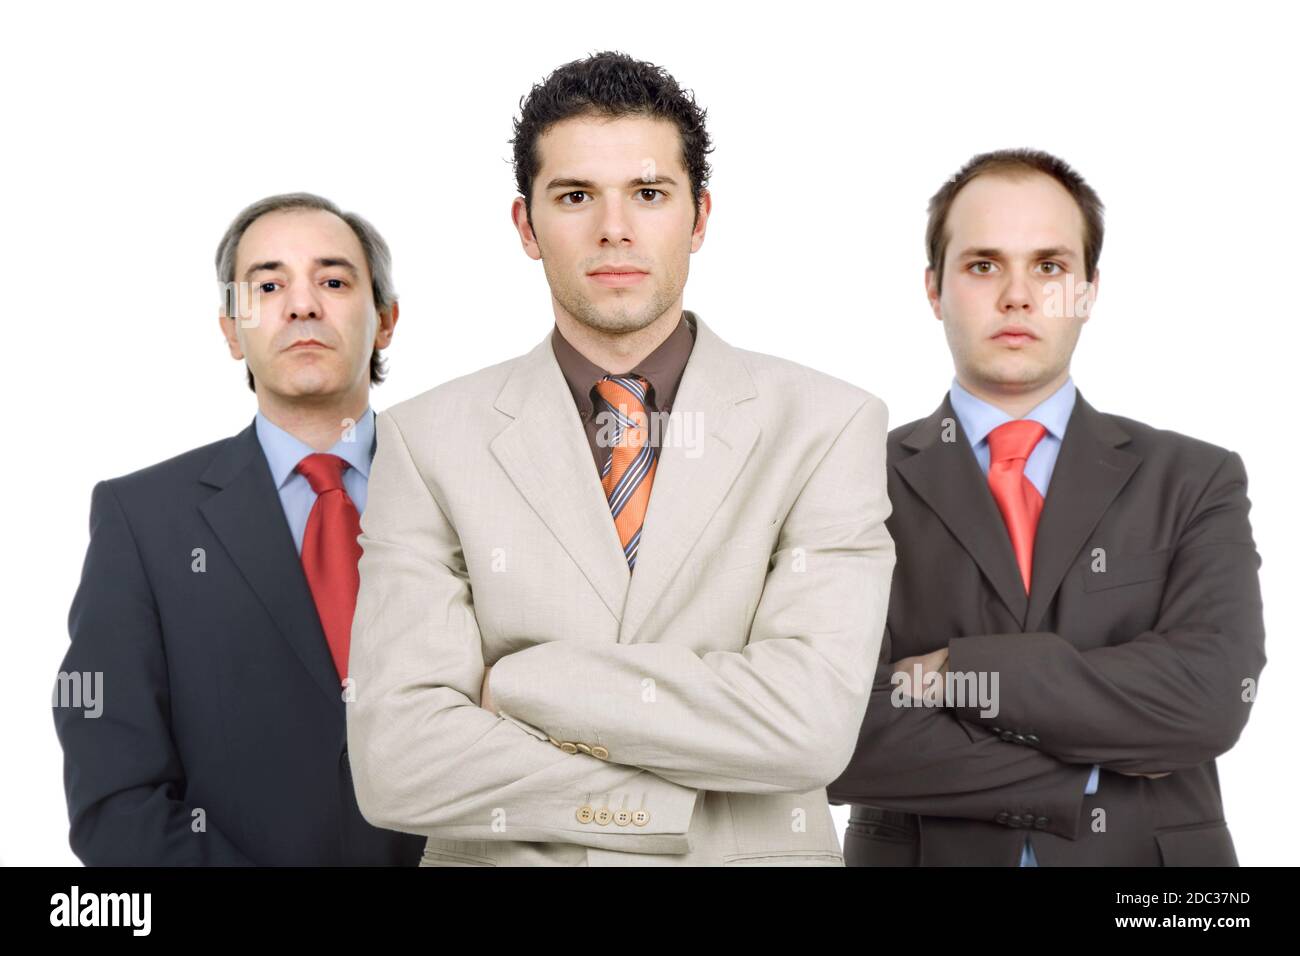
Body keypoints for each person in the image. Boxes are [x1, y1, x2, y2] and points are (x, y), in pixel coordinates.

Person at [346, 51, 895, 866]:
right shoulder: (428, 441)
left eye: (648, 193)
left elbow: (807, 728)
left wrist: (526, 685)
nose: (615, 230)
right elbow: (397, 764)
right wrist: (668, 803)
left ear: (699, 217)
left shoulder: (827, 425)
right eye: (575, 197)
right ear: (526, 227)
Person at [828, 149, 1266, 866]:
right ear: (934, 289)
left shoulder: (1194, 478)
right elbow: (831, 733)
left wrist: (953, 673)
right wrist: (1099, 760)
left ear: (1089, 291)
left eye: (1051, 267)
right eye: (983, 265)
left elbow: (1209, 698)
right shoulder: (845, 478)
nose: (1018, 296)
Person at [52, 192, 423, 865]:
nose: (302, 305)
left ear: (387, 319)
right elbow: (115, 797)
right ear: (231, 330)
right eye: (269, 285)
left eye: (334, 282)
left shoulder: (471, 493)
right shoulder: (142, 520)